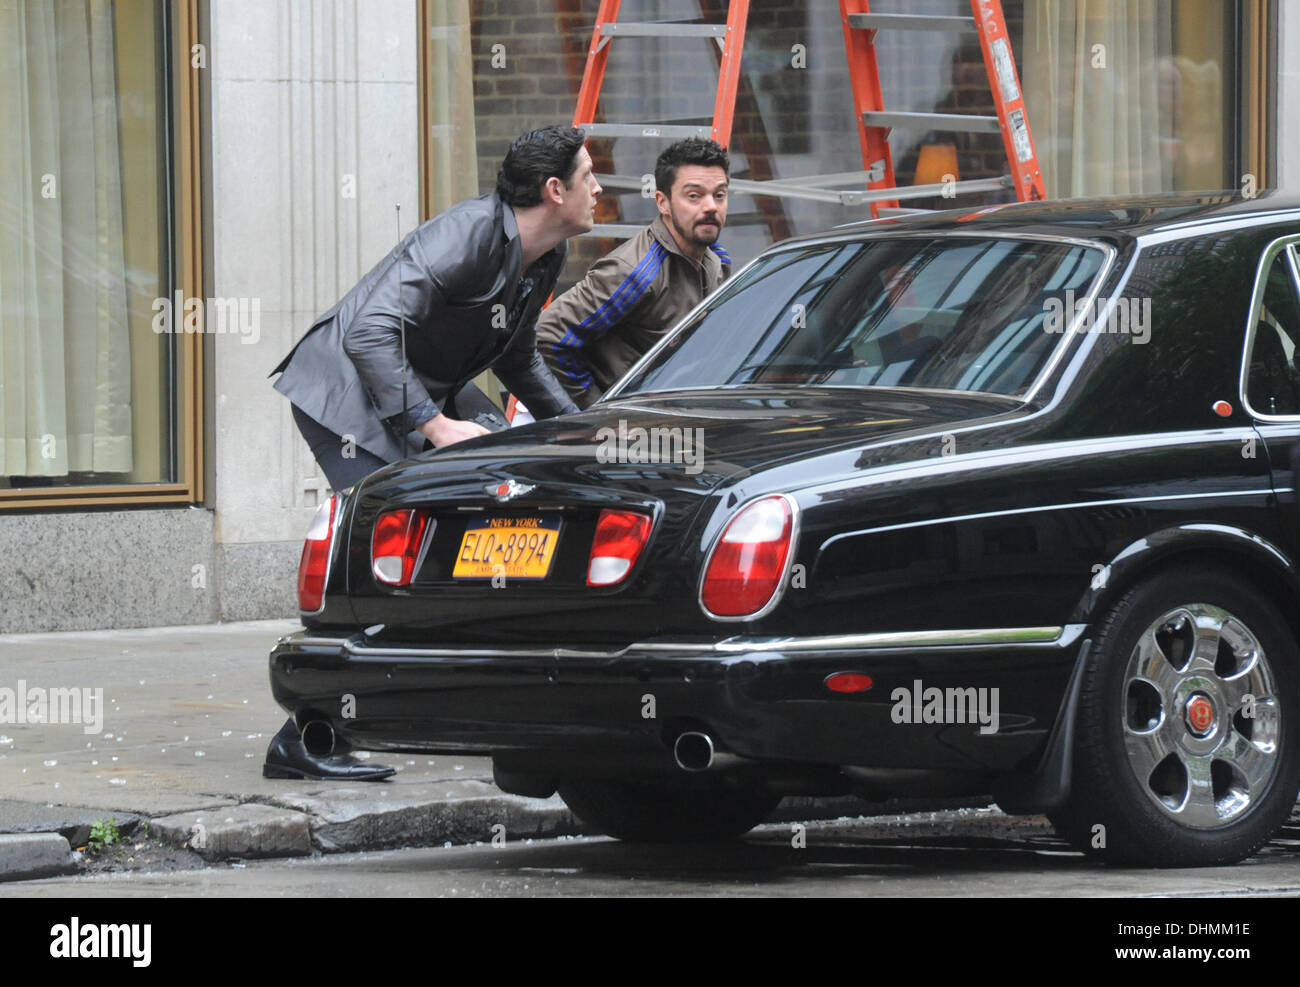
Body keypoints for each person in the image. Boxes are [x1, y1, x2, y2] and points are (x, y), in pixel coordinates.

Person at [263, 125, 598, 780]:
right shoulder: (470, 233)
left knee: (494, 502)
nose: (601, 188)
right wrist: (436, 427)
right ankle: (305, 735)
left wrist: (584, 428)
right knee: (378, 553)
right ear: (555, 190)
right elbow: (367, 331)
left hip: (422, 390)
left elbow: (519, 357)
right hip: (346, 395)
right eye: (590, 176)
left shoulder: (543, 257)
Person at [536, 137, 731, 409]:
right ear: (663, 202)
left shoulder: (715, 260)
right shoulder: (635, 270)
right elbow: (548, 335)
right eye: (694, 195)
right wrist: (597, 410)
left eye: (719, 194)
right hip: (630, 434)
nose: (710, 206)